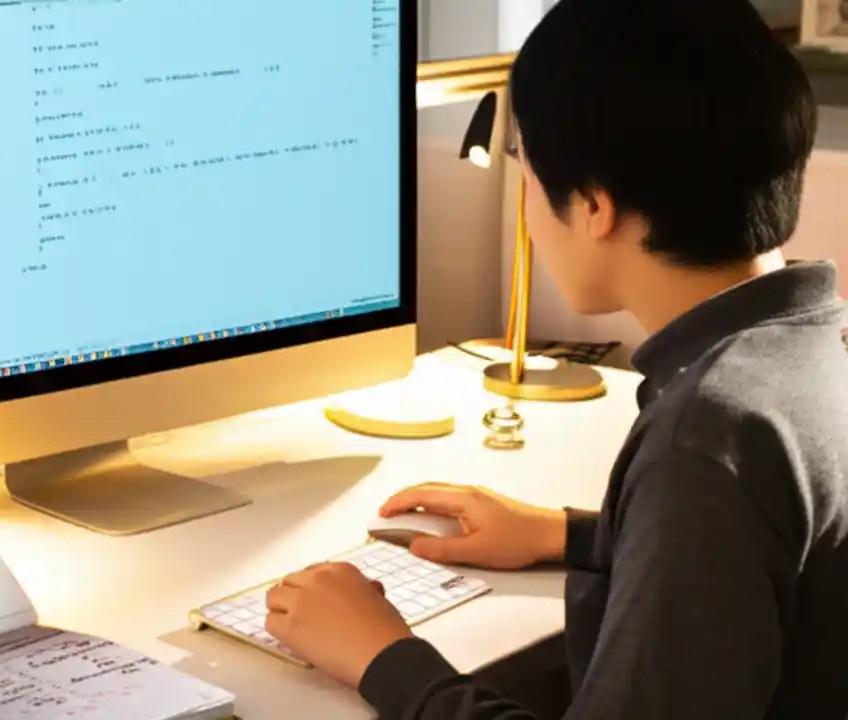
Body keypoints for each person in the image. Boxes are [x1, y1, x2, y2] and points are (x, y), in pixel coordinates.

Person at [263, 0, 848, 718]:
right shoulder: (808, 354)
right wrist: (569, 535)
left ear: (595, 206)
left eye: (524, 165)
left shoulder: (707, 438)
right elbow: (755, 553)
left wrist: (382, 657)